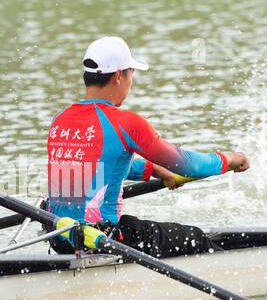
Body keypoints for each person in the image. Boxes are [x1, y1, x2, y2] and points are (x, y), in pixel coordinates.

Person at [45, 36, 249, 258]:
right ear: (118, 76)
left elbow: (99, 166)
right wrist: (230, 160)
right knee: (196, 239)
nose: (131, 82)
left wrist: (154, 170)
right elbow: (188, 165)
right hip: (100, 239)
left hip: (59, 236)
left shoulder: (61, 120)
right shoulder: (126, 123)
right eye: (131, 73)